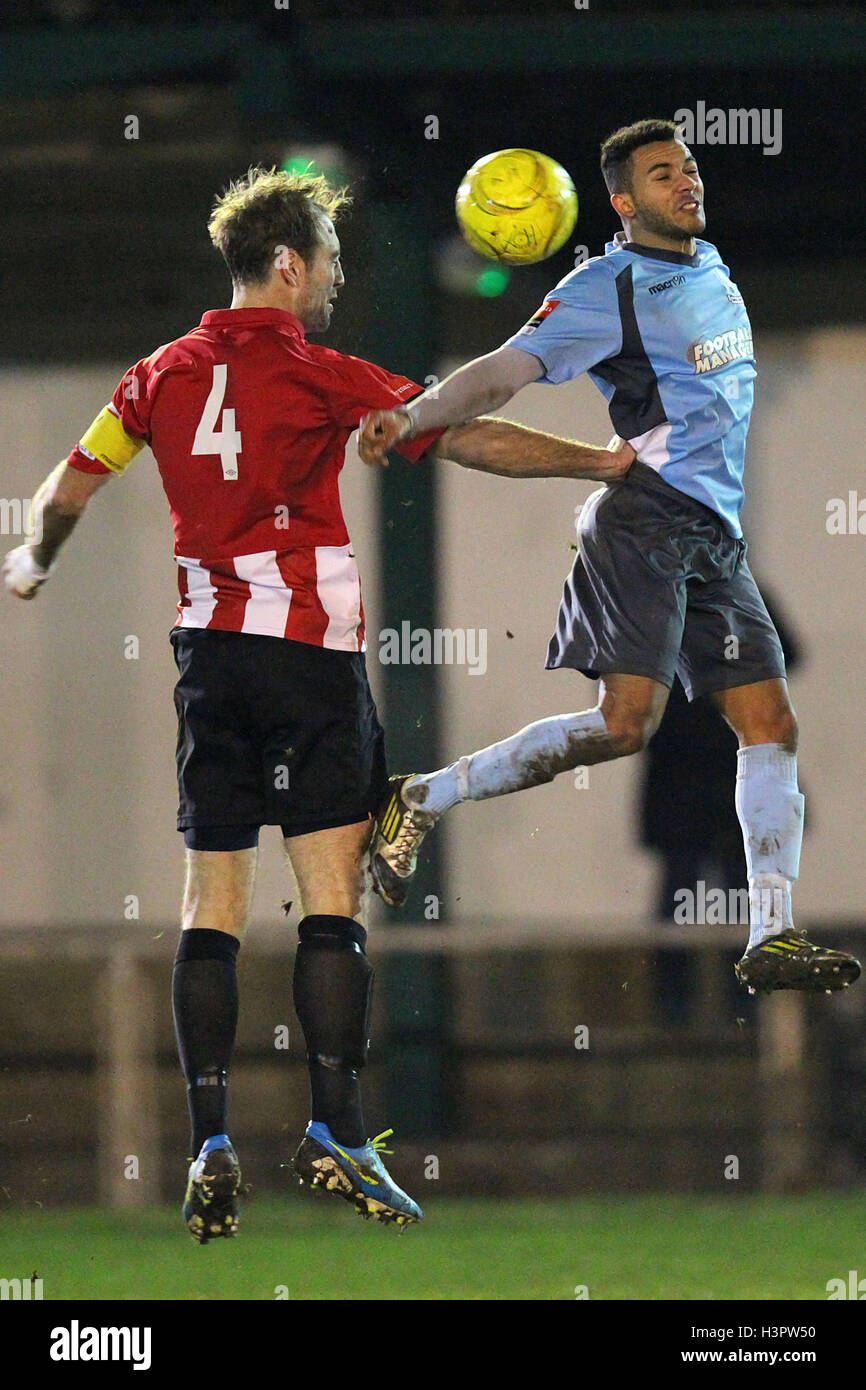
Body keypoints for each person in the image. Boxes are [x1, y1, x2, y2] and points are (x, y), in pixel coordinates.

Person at [3, 166, 631, 1240]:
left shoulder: (154, 376)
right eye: (330, 260)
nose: (337, 279)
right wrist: (603, 463)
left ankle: (208, 1137)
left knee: (211, 905)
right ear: (288, 264)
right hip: (304, 662)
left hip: (208, 665)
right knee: (330, 906)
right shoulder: (321, 372)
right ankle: (334, 1125)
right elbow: (462, 436)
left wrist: (32, 559)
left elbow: (68, 487)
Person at [358, 119, 860, 1000]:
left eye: (692, 167)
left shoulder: (710, 270)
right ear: (625, 203)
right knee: (626, 727)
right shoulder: (605, 285)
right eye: (664, 175)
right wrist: (420, 414)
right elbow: (504, 371)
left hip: (712, 534)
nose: (688, 183)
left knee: (770, 726)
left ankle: (771, 934)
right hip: (644, 522)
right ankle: (423, 798)